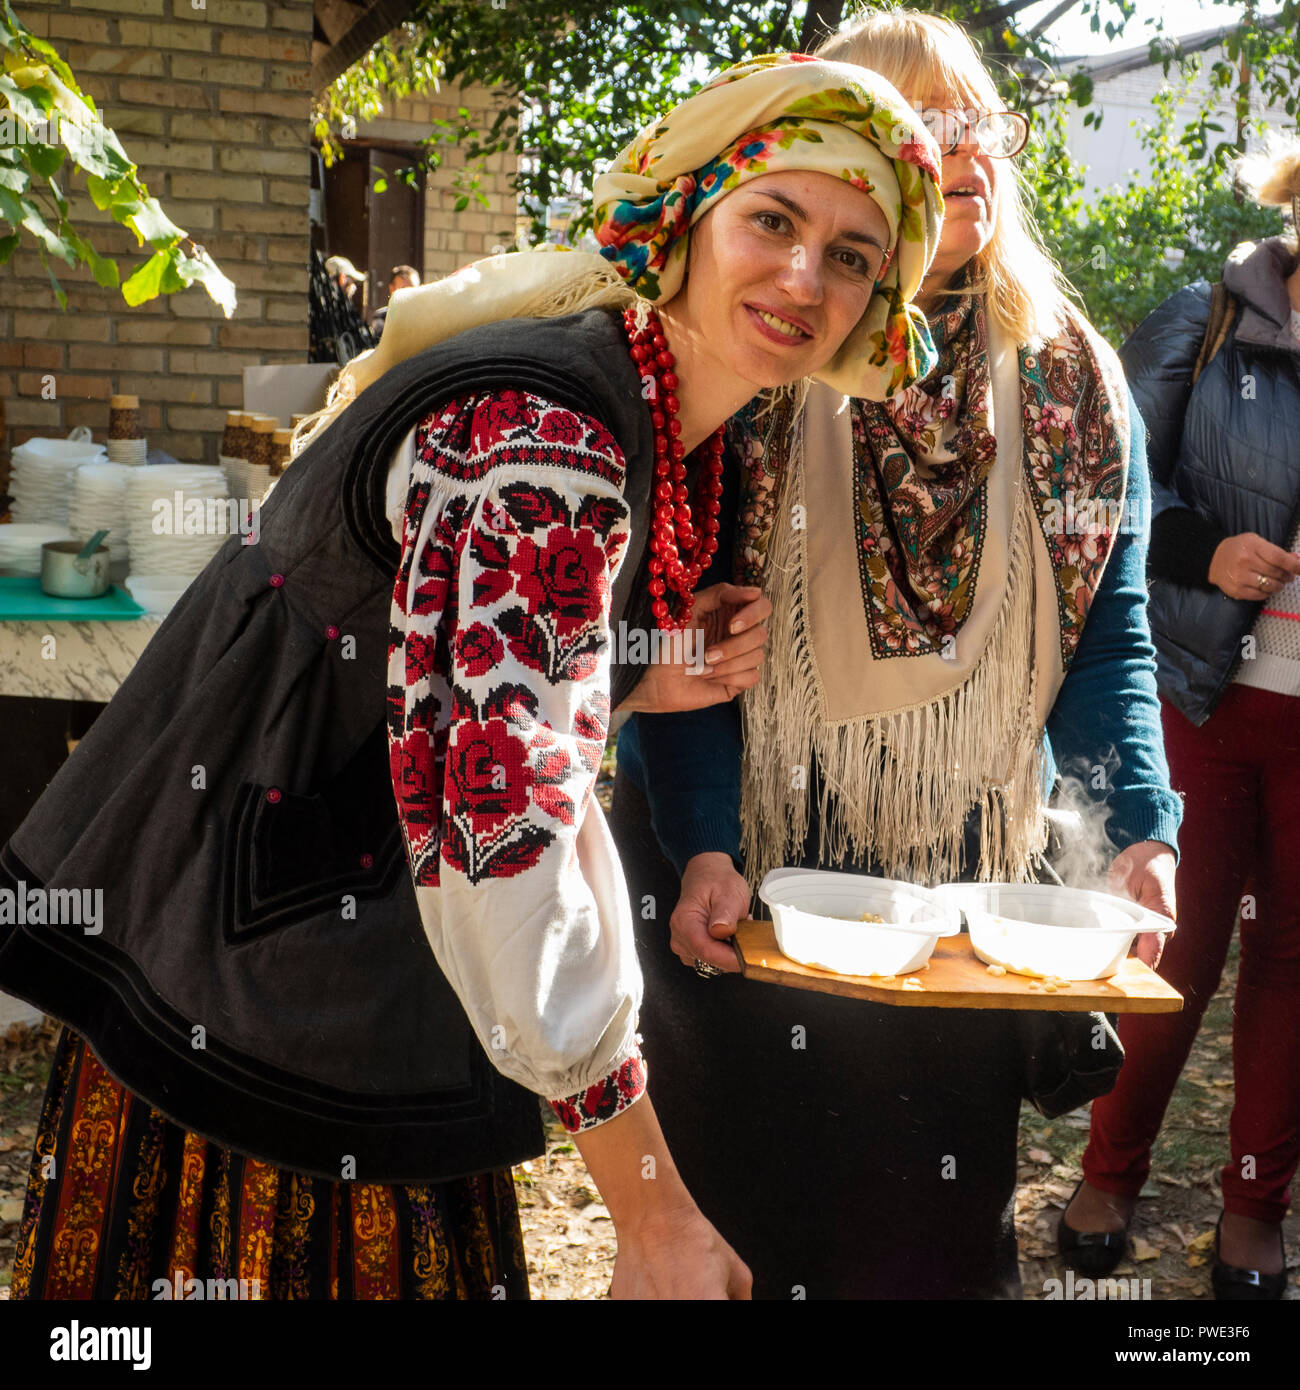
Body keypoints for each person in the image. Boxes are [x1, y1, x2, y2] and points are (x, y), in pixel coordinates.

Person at [0, 53, 942, 1301]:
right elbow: (505, 821)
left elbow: (443, 665)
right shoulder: (542, 437)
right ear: (687, 214)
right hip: (274, 1006)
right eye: (773, 220)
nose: (803, 277)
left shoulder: (633, 395)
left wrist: (632, 670)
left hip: (312, 962)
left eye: (853, 256)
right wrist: (650, 1207)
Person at [609, 8, 1181, 1299]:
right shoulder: (752, 354)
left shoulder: (1075, 392)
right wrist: (702, 834)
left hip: (949, 909)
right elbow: (691, 640)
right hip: (743, 888)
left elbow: (1106, 640)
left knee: (925, 1242)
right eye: (919, 124)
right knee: (740, 1236)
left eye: (978, 117)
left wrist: (1141, 826)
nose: (962, 148)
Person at [1066, 136, 1300, 1300]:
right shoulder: (1202, 320)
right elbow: (1097, 490)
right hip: (1200, 699)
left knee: (1294, 963)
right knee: (1169, 951)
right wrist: (1207, 549)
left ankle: (1254, 1206)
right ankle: (1108, 1172)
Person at [371, 264, 422, 337]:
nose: (409, 293)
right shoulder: (382, 317)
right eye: (403, 289)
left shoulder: (426, 315)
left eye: (413, 289)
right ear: (392, 289)